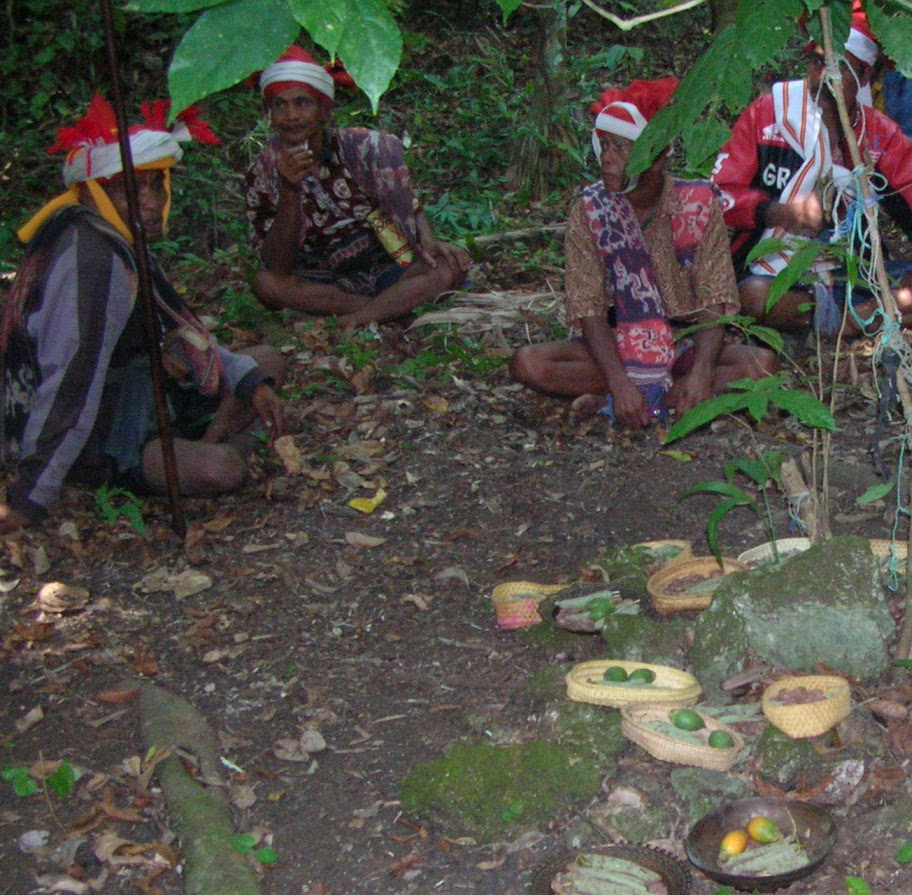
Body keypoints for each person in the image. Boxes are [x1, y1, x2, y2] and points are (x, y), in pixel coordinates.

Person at [1, 97, 284, 533]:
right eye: (132, 190)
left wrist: (246, 381)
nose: (152, 203)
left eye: (157, 186)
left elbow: (179, 326)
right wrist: (30, 496)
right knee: (220, 469)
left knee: (263, 366)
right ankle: (221, 444)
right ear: (96, 192)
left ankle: (206, 437)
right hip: (98, 432)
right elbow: (70, 381)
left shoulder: (113, 237)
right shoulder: (94, 260)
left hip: (137, 390)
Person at [509, 78, 776, 429]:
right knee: (529, 364)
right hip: (618, 344)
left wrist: (702, 372)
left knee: (761, 366)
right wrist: (619, 381)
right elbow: (587, 306)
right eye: (604, 147)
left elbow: (715, 297)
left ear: (654, 157)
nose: (607, 159)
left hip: (684, 342)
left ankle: (643, 398)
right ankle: (645, 396)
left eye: (620, 149)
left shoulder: (697, 204)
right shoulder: (590, 210)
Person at [712, 13, 912, 336]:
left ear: (866, 75)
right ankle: (852, 321)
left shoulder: (879, 136)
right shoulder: (770, 114)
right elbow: (719, 195)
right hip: (773, 277)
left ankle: (844, 321)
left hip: (855, 276)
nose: (822, 77)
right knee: (754, 296)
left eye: (838, 70)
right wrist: (776, 212)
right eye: (818, 62)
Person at [244, 47, 469, 329]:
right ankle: (390, 309)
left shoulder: (363, 147)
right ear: (270, 113)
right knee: (267, 285)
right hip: (324, 283)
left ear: (323, 109)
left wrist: (428, 240)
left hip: (388, 267)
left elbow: (408, 202)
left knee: (450, 265)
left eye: (302, 103)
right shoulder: (263, 171)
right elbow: (277, 265)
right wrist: (290, 189)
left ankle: (353, 321)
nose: (291, 115)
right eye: (280, 105)